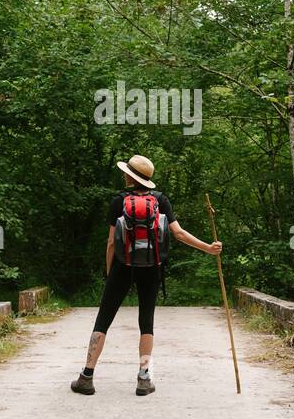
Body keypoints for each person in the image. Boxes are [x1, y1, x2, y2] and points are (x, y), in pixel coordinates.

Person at [71, 155, 221, 397]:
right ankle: (143, 379)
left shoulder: (118, 200)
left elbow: (111, 242)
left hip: (122, 265)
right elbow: (179, 234)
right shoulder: (160, 200)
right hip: (152, 266)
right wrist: (208, 248)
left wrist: (111, 274)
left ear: (130, 176)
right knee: (146, 322)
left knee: (103, 319)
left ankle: (86, 377)